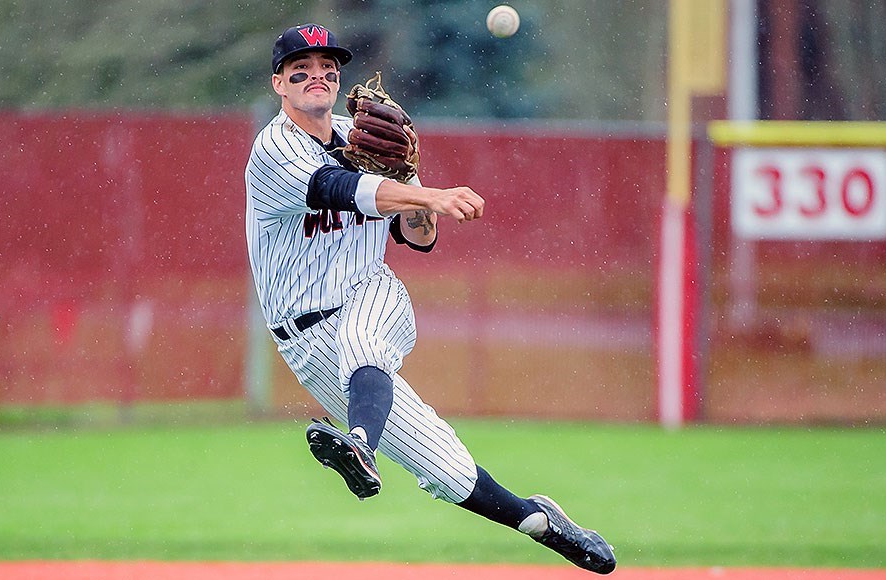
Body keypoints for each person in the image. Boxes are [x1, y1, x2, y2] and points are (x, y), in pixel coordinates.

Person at [243, 23, 616, 575]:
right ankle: (542, 522)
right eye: (301, 68)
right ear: (280, 82)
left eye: (327, 68)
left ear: (337, 78)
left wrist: (413, 184)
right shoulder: (273, 147)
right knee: (448, 473)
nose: (316, 76)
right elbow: (342, 190)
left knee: (363, 340)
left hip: (370, 294)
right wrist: (429, 192)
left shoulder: (361, 137)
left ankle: (360, 448)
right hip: (304, 341)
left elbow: (418, 238)